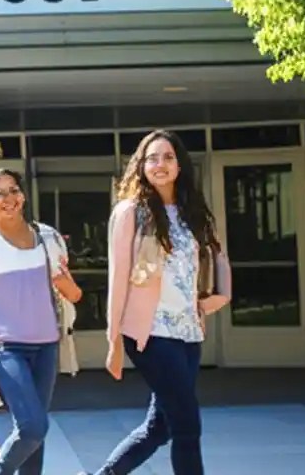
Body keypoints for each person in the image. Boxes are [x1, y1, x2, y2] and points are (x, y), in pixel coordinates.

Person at [83, 130, 231, 475]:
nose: (160, 164)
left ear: (179, 165)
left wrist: (216, 299)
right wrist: (114, 340)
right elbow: (118, 277)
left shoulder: (193, 211)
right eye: (152, 158)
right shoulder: (130, 212)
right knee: (187, 424)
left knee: (161, 426)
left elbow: (216, 257)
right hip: (150, 333)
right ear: (141, 165)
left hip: (189, 332)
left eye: (167, 157)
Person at [0, 168, 83, 475]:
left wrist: (67, 281)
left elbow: (72, 293)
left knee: (36, 433)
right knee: (33, 426)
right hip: (5, 349)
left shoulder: (47, 238)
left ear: (24, 195)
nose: (8, 198)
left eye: (14, 190)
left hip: (46, 346)